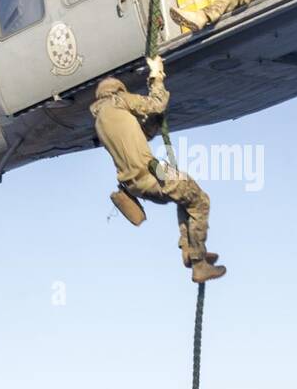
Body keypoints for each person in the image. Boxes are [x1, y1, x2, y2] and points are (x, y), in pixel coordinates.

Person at [90, 55, 226, 283]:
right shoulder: (118, 101)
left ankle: (190, 251)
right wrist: (157, 75)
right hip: (154, 175)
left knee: (185, 198)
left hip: (137, 185)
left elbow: (138, 138)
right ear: (116, 91)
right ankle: (199, 263)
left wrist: (155, 122)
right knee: (200, 201)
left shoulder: (101, 121)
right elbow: (157, 103)